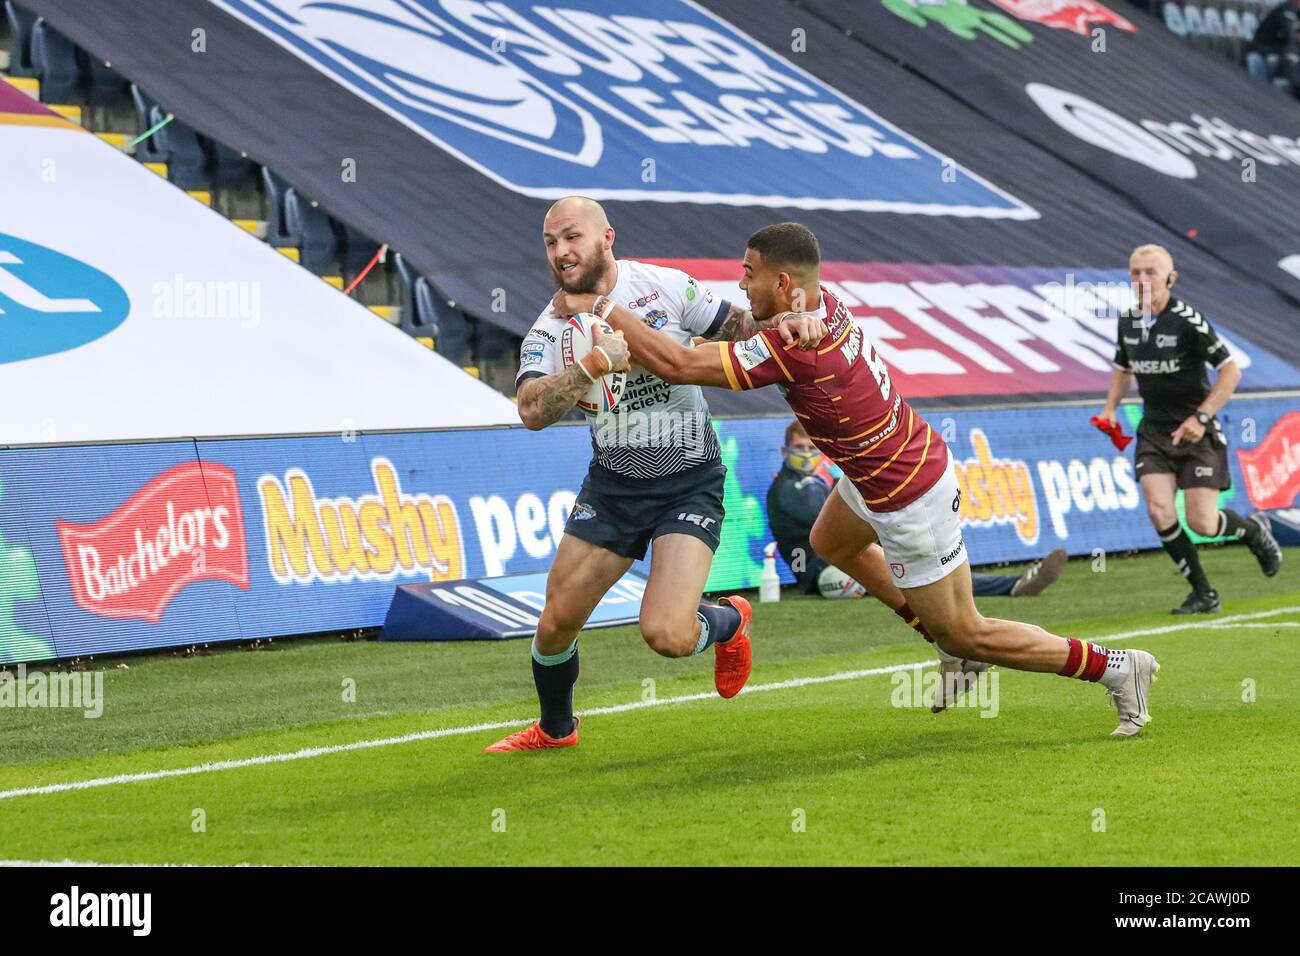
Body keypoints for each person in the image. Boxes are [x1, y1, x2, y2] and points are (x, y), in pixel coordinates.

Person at [556, 222, 1160, 737]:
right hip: (886, 471)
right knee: (831, 543)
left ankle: (1114, 667)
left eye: (749, 273)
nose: (741, 283)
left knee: (972, 631)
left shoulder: (793, 347)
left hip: (907, 497)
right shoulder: (818, 309)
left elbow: (679, 362)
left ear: (784, 284)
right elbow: (761, 329)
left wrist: (602, 306)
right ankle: (946, 643)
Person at [486, 198, 825, 752]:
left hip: (687, 477)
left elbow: (744, 327)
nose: (561, 252)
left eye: (572, 237)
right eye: (551, 242)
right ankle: (556, 729)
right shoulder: (553, 324)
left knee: (666, 634)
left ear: (607, 237)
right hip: (614, 485)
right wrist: (591, 367)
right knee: (553, 625)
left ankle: (728, 623)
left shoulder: (663, 287)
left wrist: (790, 317)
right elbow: (529, 410)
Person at [1096, 245, 1282, 615]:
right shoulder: (1128, 321)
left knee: (1204, 522)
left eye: (1151, 272)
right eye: (1135, 272)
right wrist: (1110, 408)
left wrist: (1201, 417)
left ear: (1171, 278)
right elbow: (1122, 368)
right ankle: (1203, 592)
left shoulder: (1187, 320)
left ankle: (1253, 530)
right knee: (1159, 509)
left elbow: (1231, 372)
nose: (1142, 280)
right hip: (1154, 432)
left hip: (1196, 431)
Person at [769, 420, 1066, 599]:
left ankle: (1013, 585)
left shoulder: (815, 482)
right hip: (822, 575)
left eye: (812, 448)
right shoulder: (788, 488)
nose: (806, 455)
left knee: (924, 574)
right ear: (785, 452)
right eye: (799, 448)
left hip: (851, 560)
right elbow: (829, 523)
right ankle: (1011, 586)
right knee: (915, 583)